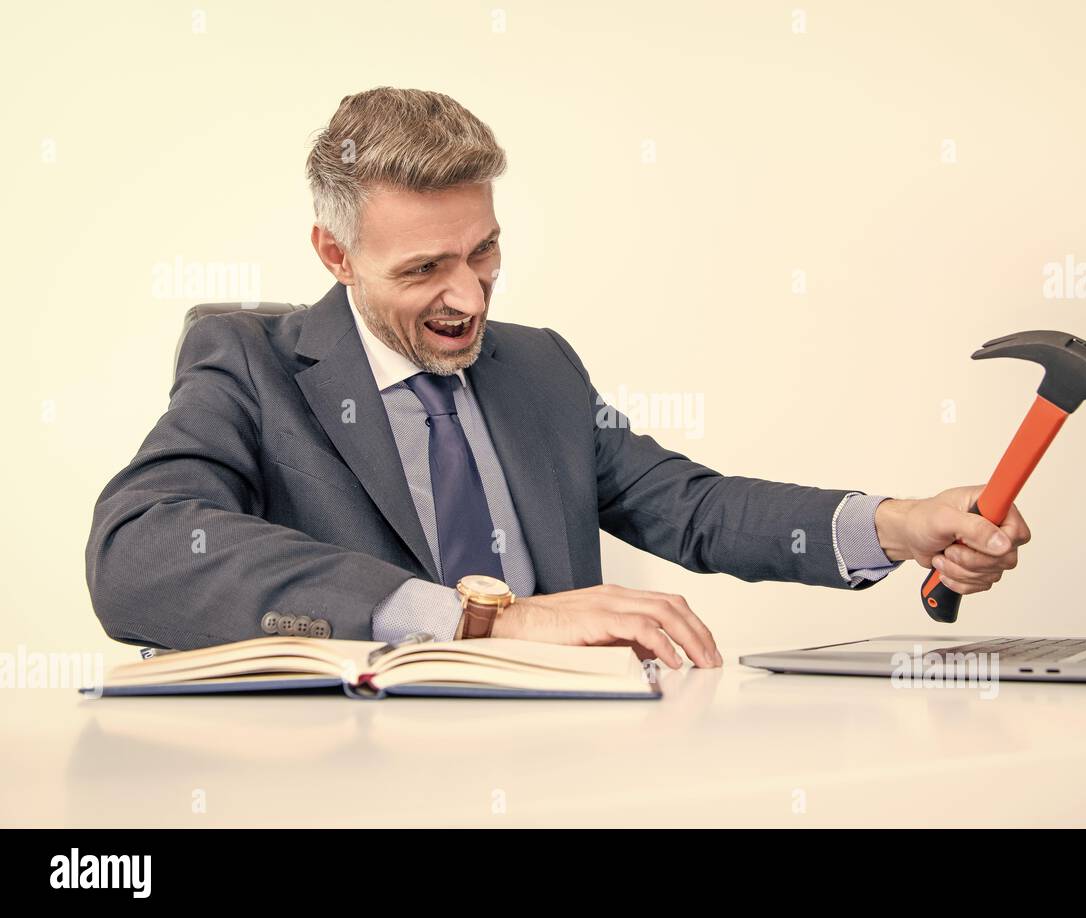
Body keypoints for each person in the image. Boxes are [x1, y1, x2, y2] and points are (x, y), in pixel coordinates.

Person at [86, 87, 1030, 669]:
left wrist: (895, 524)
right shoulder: (252, 365)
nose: (469, 298)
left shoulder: (536, 365)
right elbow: (142, 549)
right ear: (334, 253)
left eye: (484, 251)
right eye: (422, 270)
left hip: (568, 764)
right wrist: (478, 622)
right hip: (355, 786)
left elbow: (689, 506)